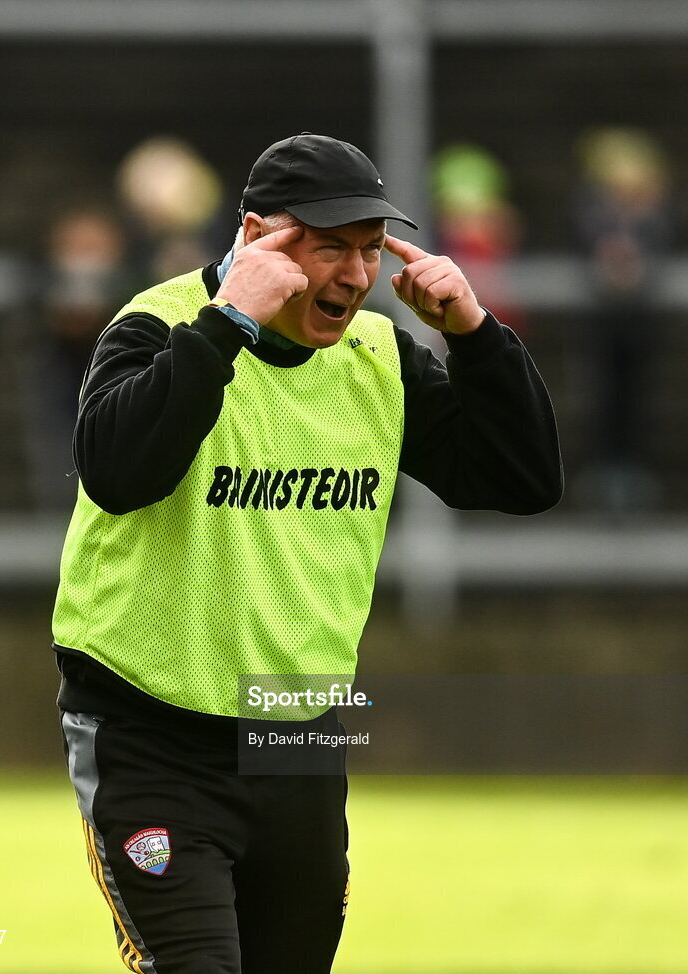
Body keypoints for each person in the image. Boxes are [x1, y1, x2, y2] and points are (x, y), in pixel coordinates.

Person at [52, 133, 562, 974]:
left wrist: (474, 337)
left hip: (298, 737)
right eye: (329, 248)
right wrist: (227, 325)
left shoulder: (378, 358)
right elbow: (116, 472)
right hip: (149, 735)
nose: (355, 276)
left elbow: (522, 478)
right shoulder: (159, 324)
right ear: (256, 236)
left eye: (368, 251)